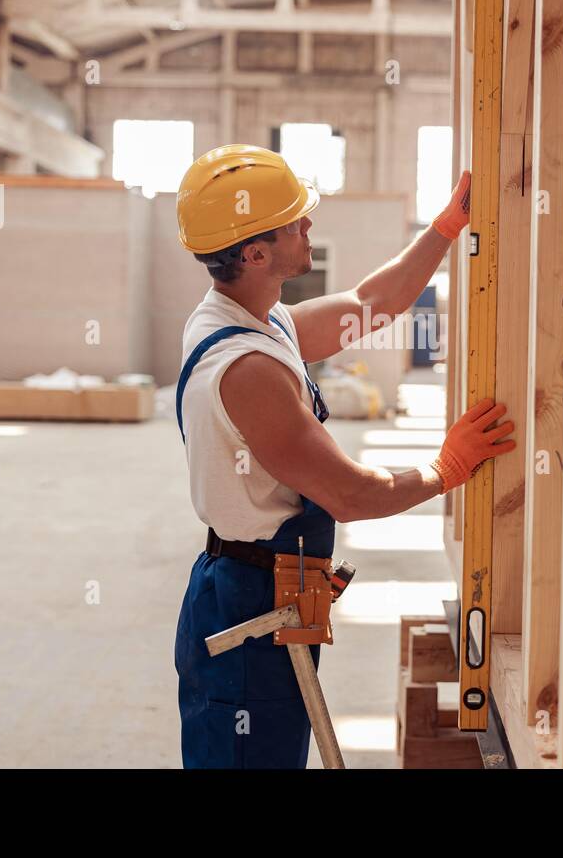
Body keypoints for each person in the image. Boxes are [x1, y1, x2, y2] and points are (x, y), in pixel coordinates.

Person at [173, 143, 514, 768]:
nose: (309, 224)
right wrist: (446, 468)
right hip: (248, 605)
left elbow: (369, 307)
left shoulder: (255, 320)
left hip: (265, 592)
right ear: (255, 253)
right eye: (295, 220)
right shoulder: (246, 368)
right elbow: (352, 495)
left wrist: (444, 229)